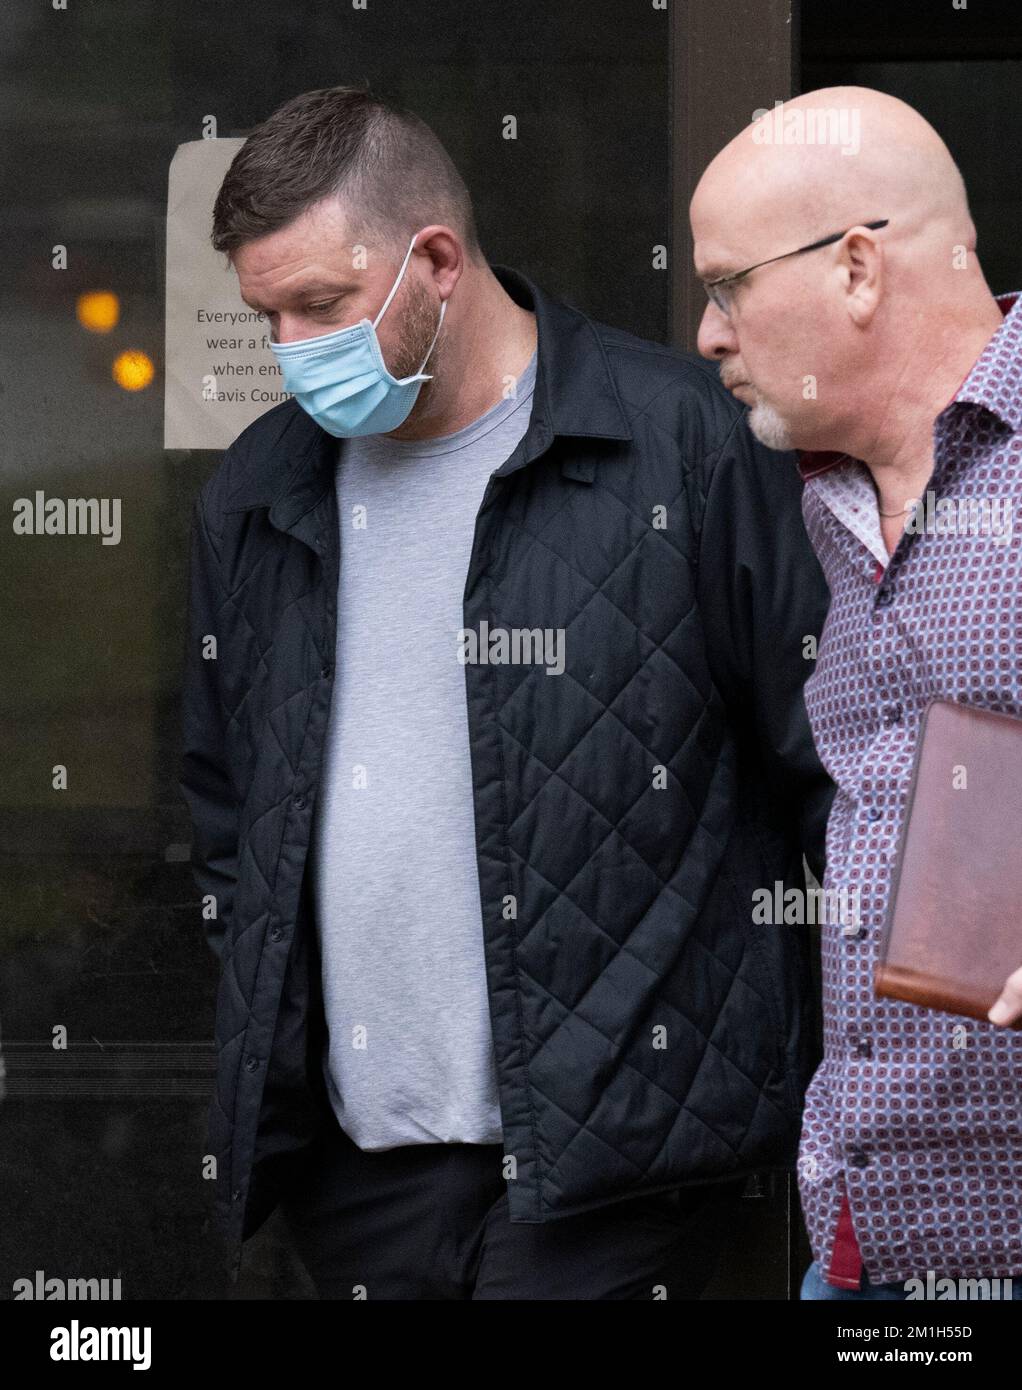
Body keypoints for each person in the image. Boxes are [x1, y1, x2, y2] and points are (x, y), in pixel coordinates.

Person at [179, 83, 831, 1300]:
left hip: (624, 1176)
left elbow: (828, 777)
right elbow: (231, 808)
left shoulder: (681, 444)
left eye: (318, 306)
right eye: (265, 315)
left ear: (434, 260)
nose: (288, 351)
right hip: (356, 1174)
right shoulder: (259, 492)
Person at [691, 85, 1022, 1301]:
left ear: (855, 270)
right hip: (867, 1240)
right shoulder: (828, 502)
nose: (707, 336)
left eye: (726, 286)